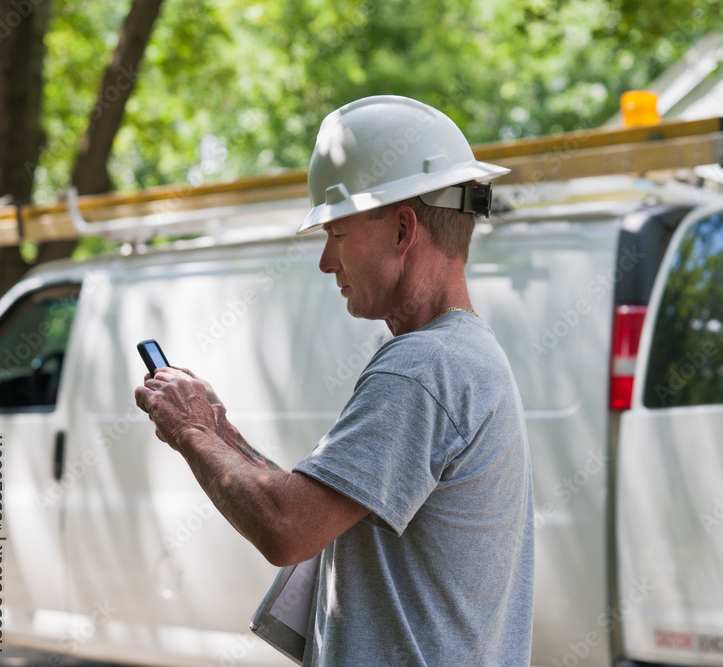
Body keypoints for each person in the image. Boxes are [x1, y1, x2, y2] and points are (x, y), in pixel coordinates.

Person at [134, 95, 535, 666]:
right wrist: (222, 432)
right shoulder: (465, 354)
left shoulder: (422, 369)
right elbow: (320, 505)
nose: (326, 261)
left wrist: (189, 433)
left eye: (338, 234)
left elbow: (286, 528)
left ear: (402, 230)